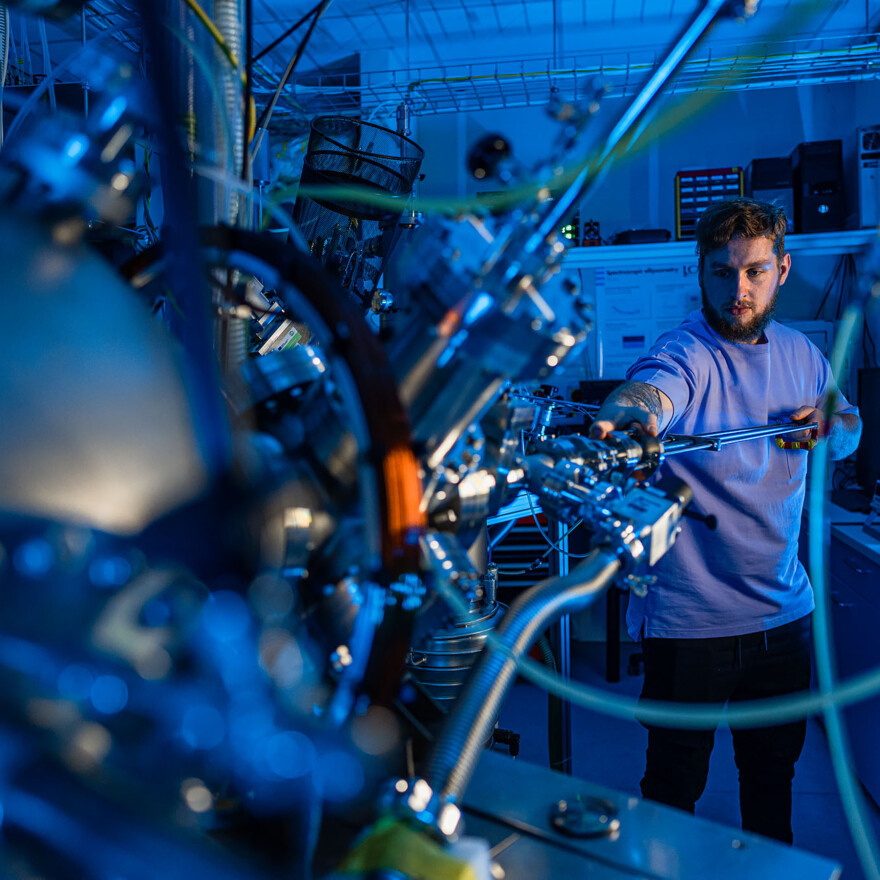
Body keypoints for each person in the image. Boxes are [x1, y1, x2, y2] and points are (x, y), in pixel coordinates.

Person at [589, 197, 862, 844]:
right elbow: (651, 390)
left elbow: (848, 425)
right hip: (691, 624)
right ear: (701, 272)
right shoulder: (685, 351)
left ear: (782, 270)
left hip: (784, 616)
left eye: (755, 271)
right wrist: (630, 421)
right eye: (721, 272)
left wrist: (830, 427)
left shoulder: (804, 356)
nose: (738, 290)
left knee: (771, 783)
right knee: (671, 788)